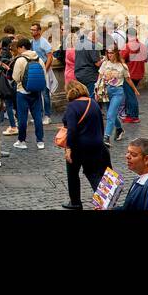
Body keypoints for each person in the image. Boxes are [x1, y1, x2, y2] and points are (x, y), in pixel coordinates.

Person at [60, 80, 108, 209]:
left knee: (73, 174)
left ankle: (75, 202)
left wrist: (69, 148)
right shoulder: (93, 103)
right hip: (96, 144)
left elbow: (72, 130)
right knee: (93, 173)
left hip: (78, 146)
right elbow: (101, 124)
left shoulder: (72, 106)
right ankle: (104, 200)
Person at [9, 37, 46, 149]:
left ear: (22, 48)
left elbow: (15, 77)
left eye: (19, 48)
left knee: (22, 117)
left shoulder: (20, 60)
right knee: (37, 117)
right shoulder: (39, 59)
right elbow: (43, 74)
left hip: (22, 92)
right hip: (36, 92)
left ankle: (22, 141)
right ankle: (40, 141)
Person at [99, 43, 137, 145]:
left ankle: (106, 137)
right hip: (106, 91)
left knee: (110, 114)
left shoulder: (122, 66)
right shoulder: (104, 64)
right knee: (111, 113)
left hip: (117, 92)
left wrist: (135, 90)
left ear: (116, 53)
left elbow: (128, 79)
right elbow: (100, 77)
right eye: (108, 52)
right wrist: (96, 89)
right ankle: (119, 128)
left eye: (111, 52)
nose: (109, 55)